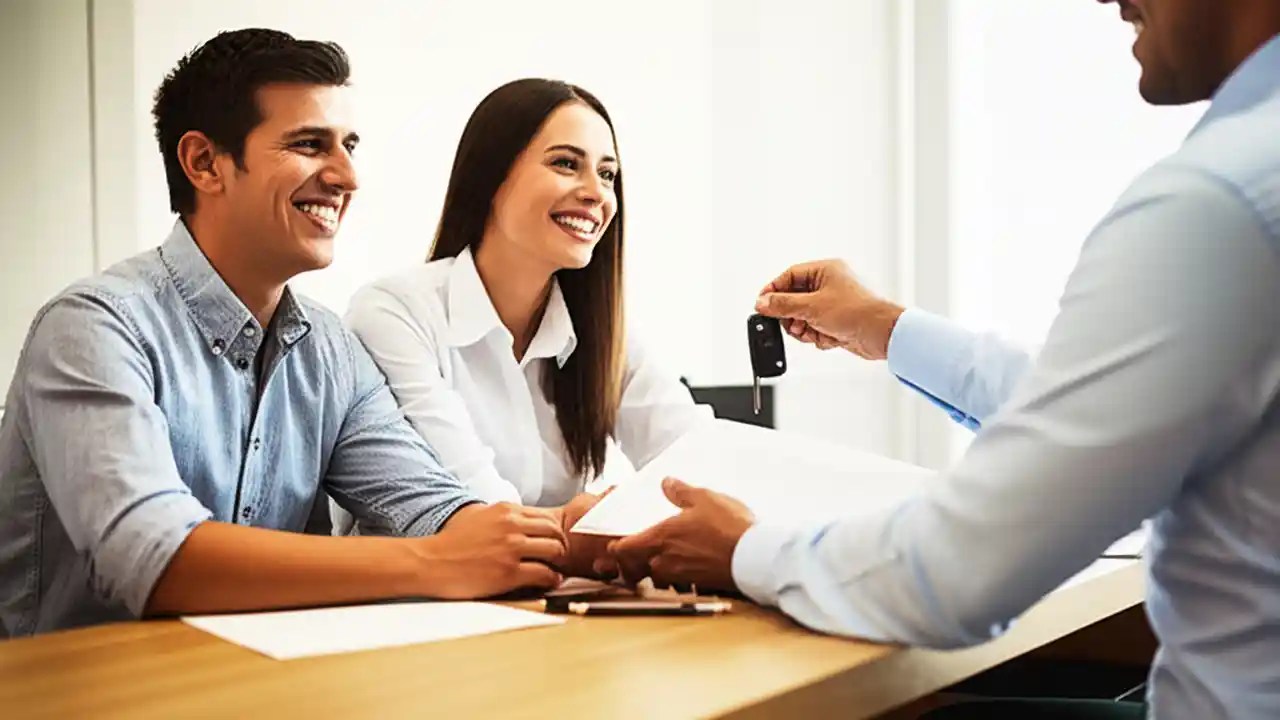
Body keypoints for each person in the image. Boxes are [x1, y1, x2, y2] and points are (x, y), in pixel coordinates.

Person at [610, 1, 1280, 717]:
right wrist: (887, 328)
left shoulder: (1217, 205)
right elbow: (1106, 402)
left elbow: (962, 571)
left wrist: (746, 550)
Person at [0, 29, 574, 637]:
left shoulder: (332, 351)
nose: (347, 176)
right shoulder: (93, 327)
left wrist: (568, 535)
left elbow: (433, 510)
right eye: (309, 144)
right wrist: (436, 561)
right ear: (203, 163)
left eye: (349, 145)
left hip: (260, 686)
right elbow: (155, 560)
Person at [339, 79, 710, 553]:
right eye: (565, 164)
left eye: (608, 174)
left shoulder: (601, 332)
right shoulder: (394, 312)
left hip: (543, 606)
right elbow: (482, 518)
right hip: (413, 611)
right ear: (491, 177)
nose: (596, 194)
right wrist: (602, 523)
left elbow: (699, 465)